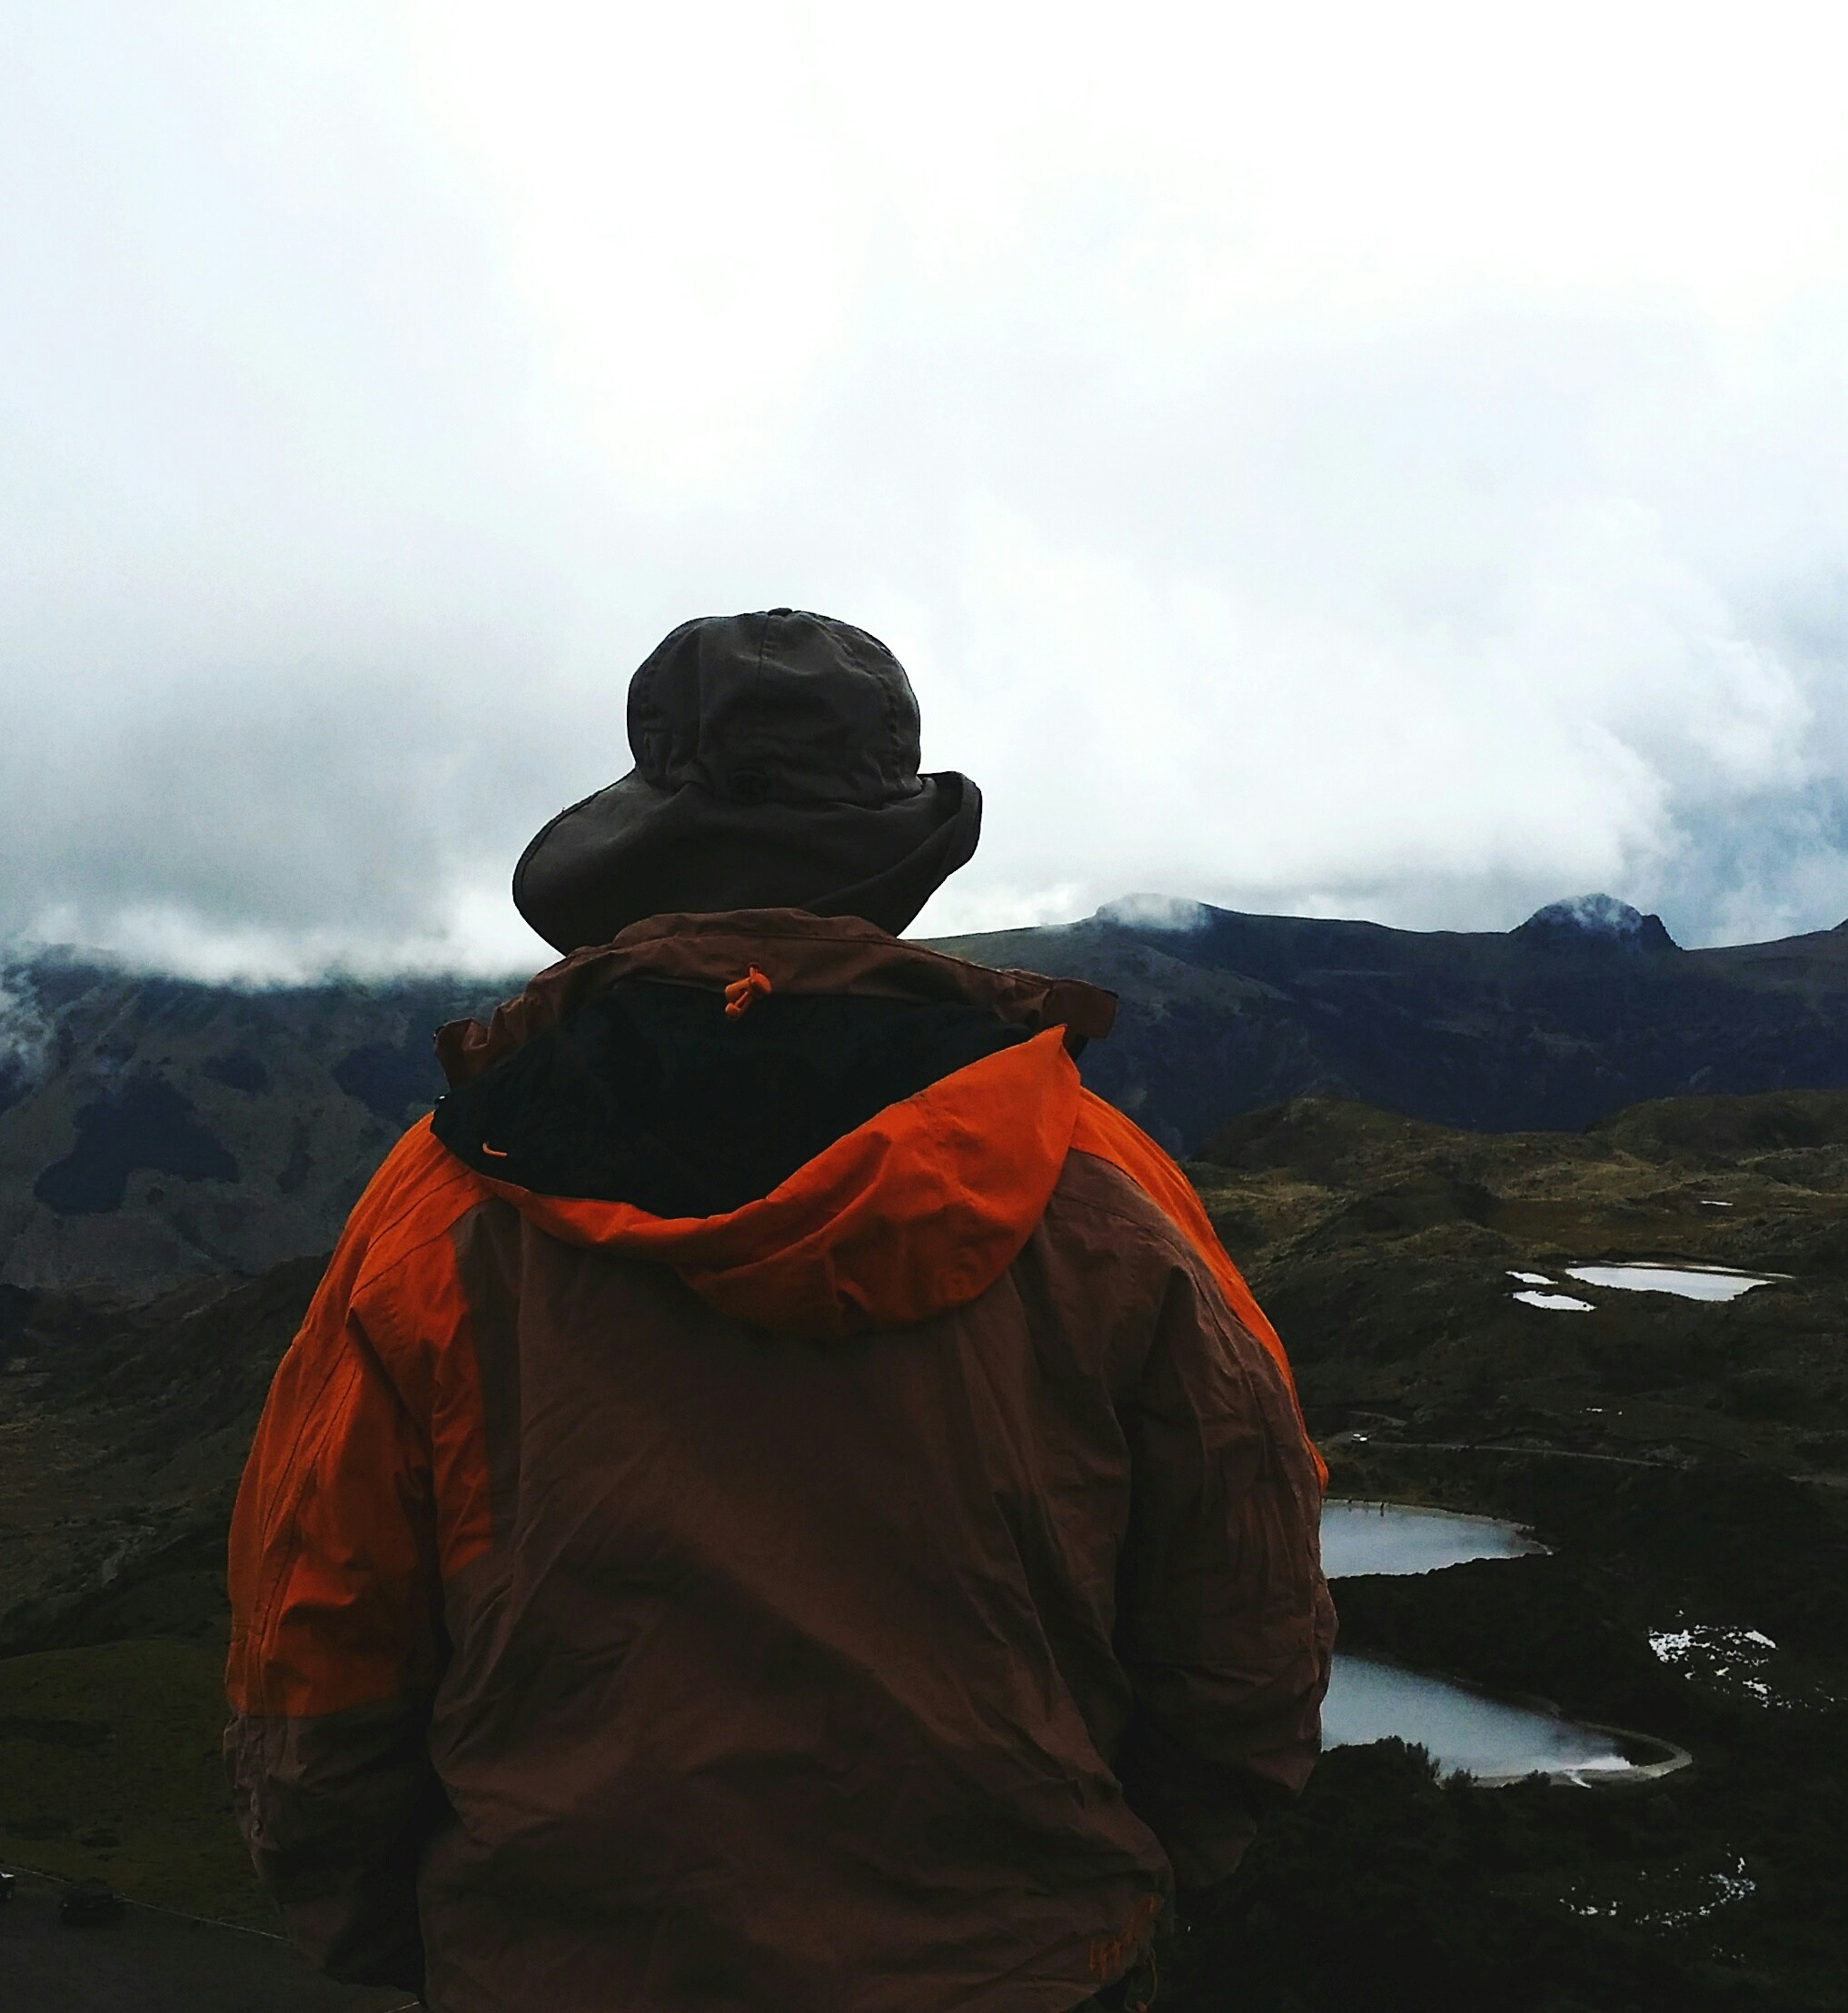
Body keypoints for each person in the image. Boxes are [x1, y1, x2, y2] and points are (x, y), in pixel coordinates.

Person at [224, 609, 1332, 2012]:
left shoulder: (445, 1206)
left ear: (643, 852)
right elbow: (1249, 1619)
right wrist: (1109, 1886)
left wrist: (430, 1940)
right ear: (895, 874)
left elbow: (318, 1654)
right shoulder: (1096, 1188)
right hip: (1022, 1973)